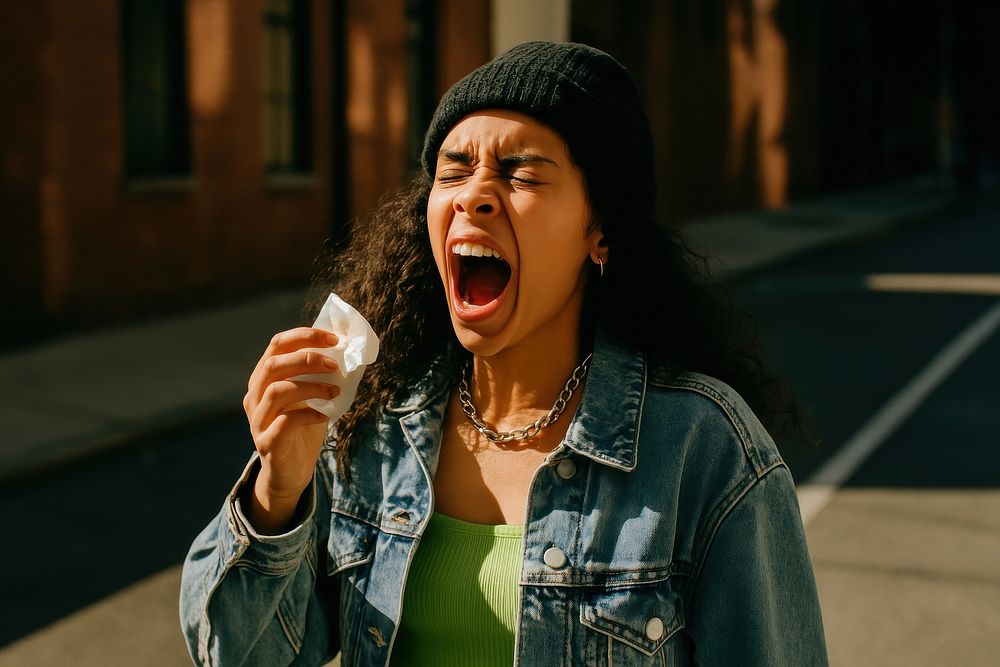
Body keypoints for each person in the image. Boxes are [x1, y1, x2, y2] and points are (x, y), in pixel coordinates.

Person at [180, 41, 829, 666]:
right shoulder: (370, 428)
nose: (475, 194)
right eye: (455, 170)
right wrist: (278, 489)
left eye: (520, 172)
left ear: (600, 231)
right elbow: (235, 651)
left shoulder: (704, 452)